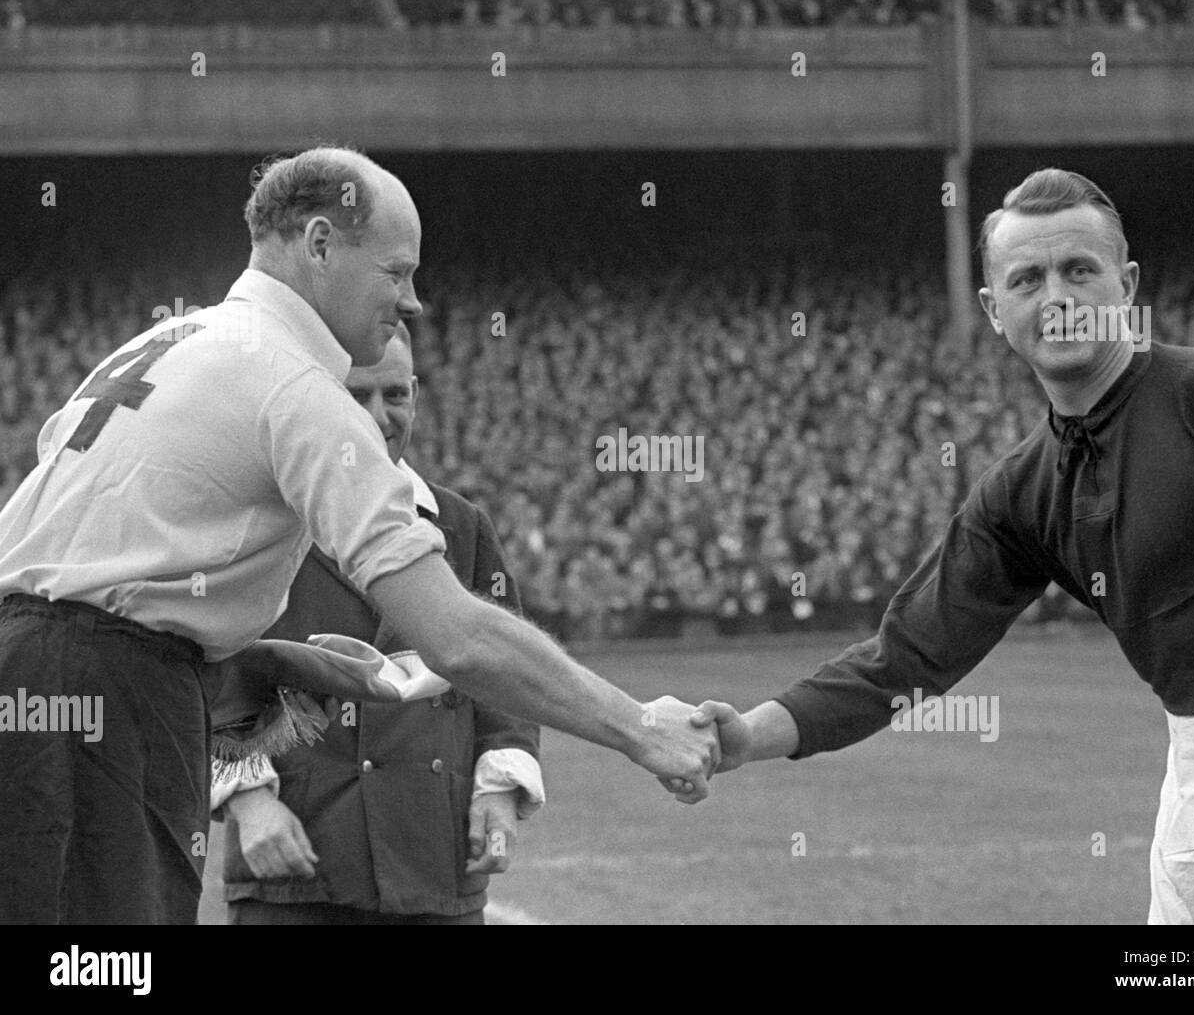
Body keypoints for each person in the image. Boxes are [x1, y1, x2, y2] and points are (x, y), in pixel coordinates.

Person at [0, 145, 717, 925]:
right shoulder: (293, 381)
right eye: (396, 271)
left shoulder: (163, 344)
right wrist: (640, 727)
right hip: (101, 705)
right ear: (318, 244)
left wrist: (264, 660)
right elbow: (458, 637)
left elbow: (91, 582)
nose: (413, 301)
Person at [684, 168, 1194, 925]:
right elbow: (904, 659)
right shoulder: (1022, 490)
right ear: (994, 309)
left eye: (1080, 270)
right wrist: (749, 735)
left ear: (1126, 283)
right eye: (1027, 278)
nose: (1057, 297)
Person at [215, 327, 541, 925]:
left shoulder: (463, 527)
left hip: (435, 872)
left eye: (395, 394)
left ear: (416, 393)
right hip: (293, 875)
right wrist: (249, 800)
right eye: (354, 395)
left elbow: (504, 671)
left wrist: (501, 785)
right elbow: (205, 676)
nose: (378, 415)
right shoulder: (254, 527)